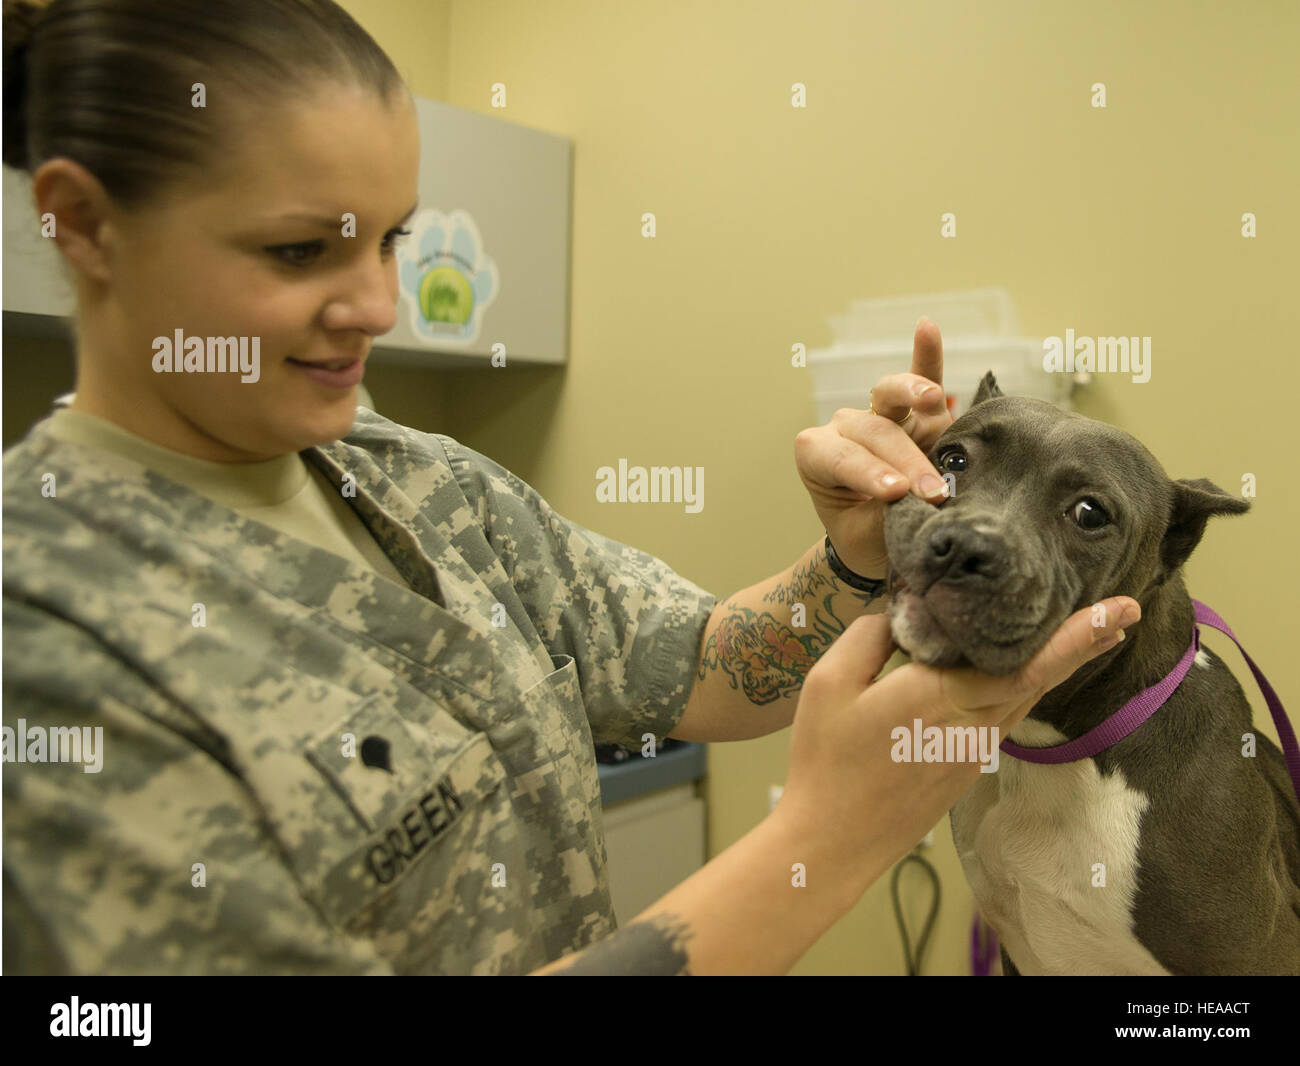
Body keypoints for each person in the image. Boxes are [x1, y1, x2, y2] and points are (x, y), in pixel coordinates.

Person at [1, 0, 1139, 977]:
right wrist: (826, 838)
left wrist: (853, 557)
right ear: (86, 224)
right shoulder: (44, 631)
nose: (378, 305)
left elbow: (700, 666)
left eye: (393, 241)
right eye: (302, 252)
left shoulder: (408, 476)